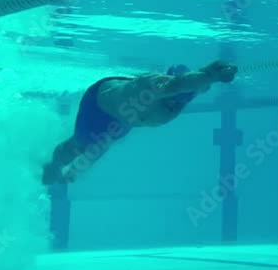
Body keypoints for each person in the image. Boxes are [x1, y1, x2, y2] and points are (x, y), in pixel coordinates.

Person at [42, 60, 237, 185]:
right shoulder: (149, 88)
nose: (173, 106)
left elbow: (196, 84)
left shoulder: (187, 92)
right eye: (171, 100)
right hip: (101, 107)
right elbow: (178, 84)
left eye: (178, 104)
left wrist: (213, 74)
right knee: (83, 145)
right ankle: (51, 167)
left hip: (125, 121)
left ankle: (68, 172)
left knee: (98, 147)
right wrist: (210, 74)